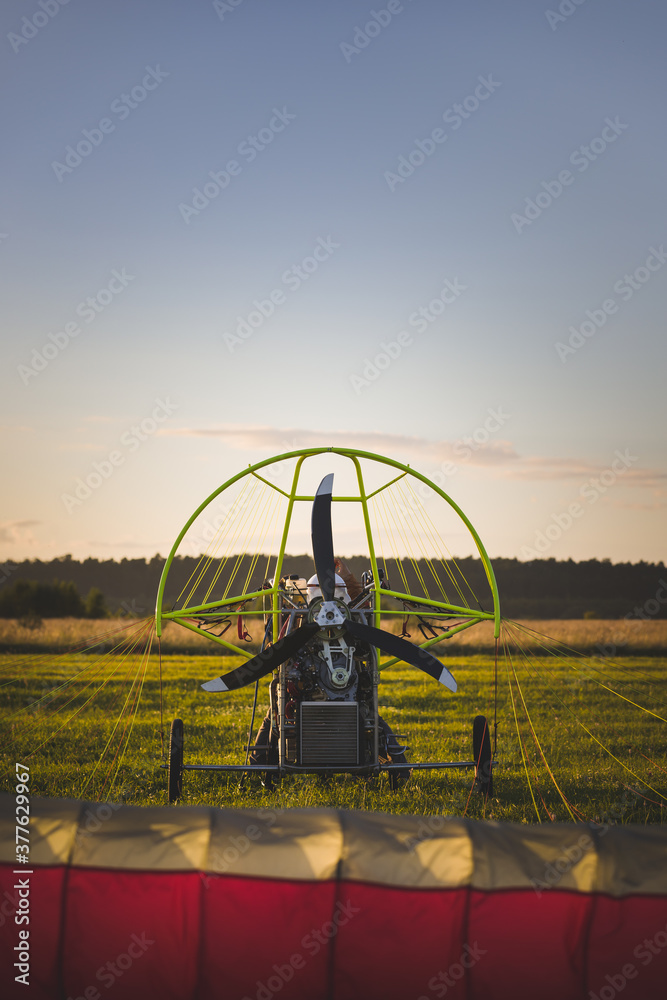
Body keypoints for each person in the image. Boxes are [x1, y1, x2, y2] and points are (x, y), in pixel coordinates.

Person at [250, 558, 410, 786]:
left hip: (348, 691)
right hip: (305, 691)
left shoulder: (355, 623)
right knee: (277, 714)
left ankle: (256, 770)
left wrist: (348, 577)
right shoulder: (295, 626)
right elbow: (275, 651)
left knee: (368, 715)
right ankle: (255, 772)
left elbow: (362, 607)